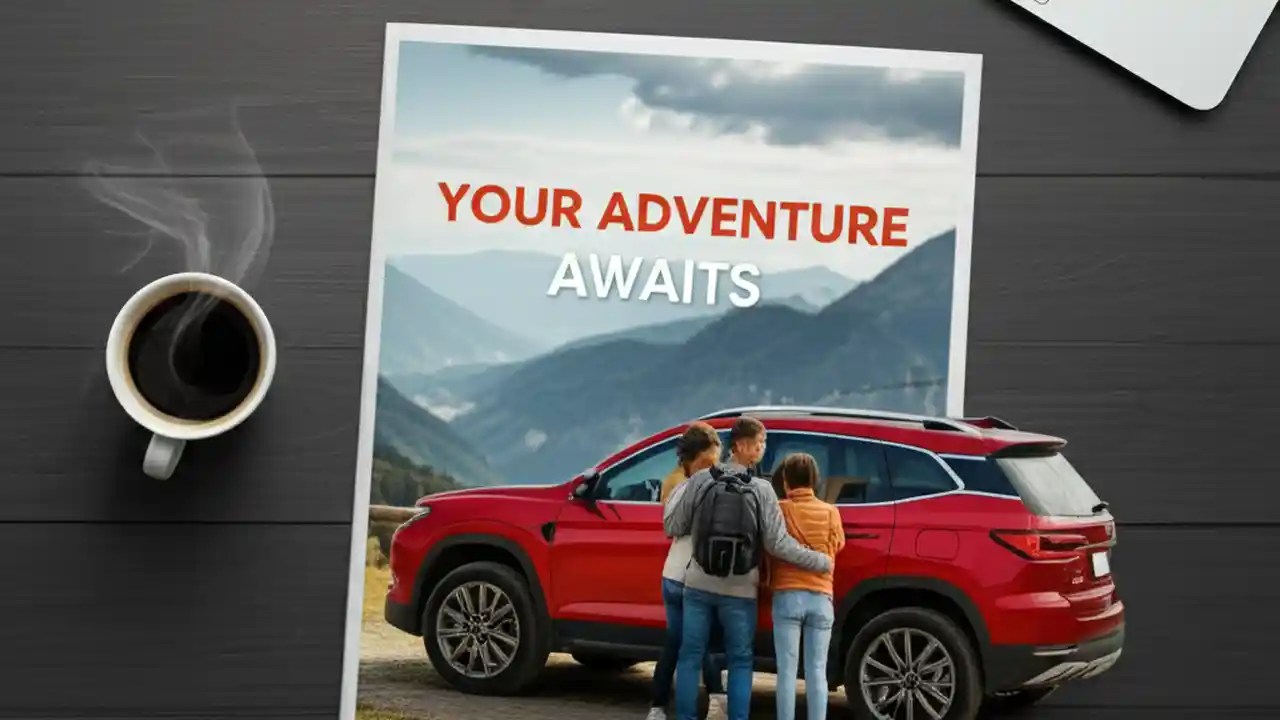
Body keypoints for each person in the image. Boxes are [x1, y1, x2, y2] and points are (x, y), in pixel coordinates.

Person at [663, 416, 833, 720]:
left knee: (689, 656)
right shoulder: (762, 490)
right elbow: (778, 544)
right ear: (742, 445)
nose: (763, 448)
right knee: (740, 660)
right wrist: (819, 561)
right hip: (740, 589)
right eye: (759, 443)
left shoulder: (701, 480)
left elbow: (674, 525)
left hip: (698, 583)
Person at [649, 422, 728, 720]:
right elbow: (677, 527)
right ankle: (716, 701)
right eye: (708, 461)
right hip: (690, 577)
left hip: (674, 574)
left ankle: (658, 707)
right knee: (699, 641)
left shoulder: (682, 482)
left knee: (677, 641)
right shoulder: (691, 486)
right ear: (693, 458)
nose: (713, 467)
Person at [768, 453, 845, 720]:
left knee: (787, 672)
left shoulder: (780, 509)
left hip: (788, 595)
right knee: (817, 671)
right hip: (821, 597)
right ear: (815, 480)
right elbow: (838, 546)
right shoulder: (831, 512)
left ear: (786, 481)